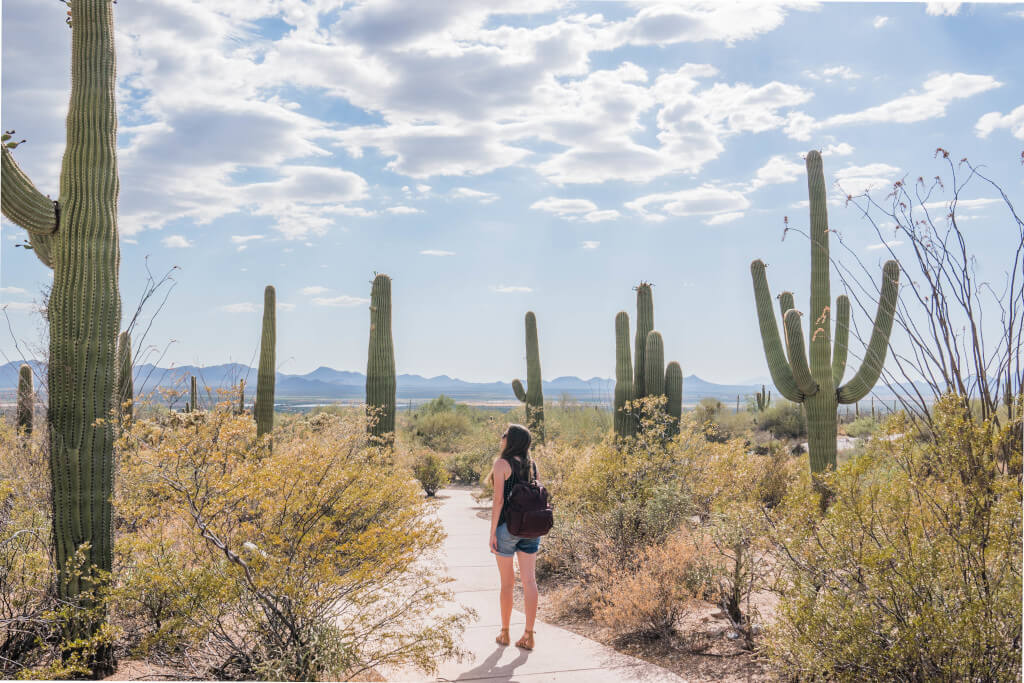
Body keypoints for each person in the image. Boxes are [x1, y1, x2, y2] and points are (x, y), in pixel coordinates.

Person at [488, 423, 539, 650]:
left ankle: (505, 632)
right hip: (531, 528)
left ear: (512, 440)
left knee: (507, 583)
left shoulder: (502, 464)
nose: (502, 438)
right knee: (529, 581)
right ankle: (529, 635)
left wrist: (492, 532)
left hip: (507, 528)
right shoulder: (532, 464)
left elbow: (498, 500)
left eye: (505, 435)